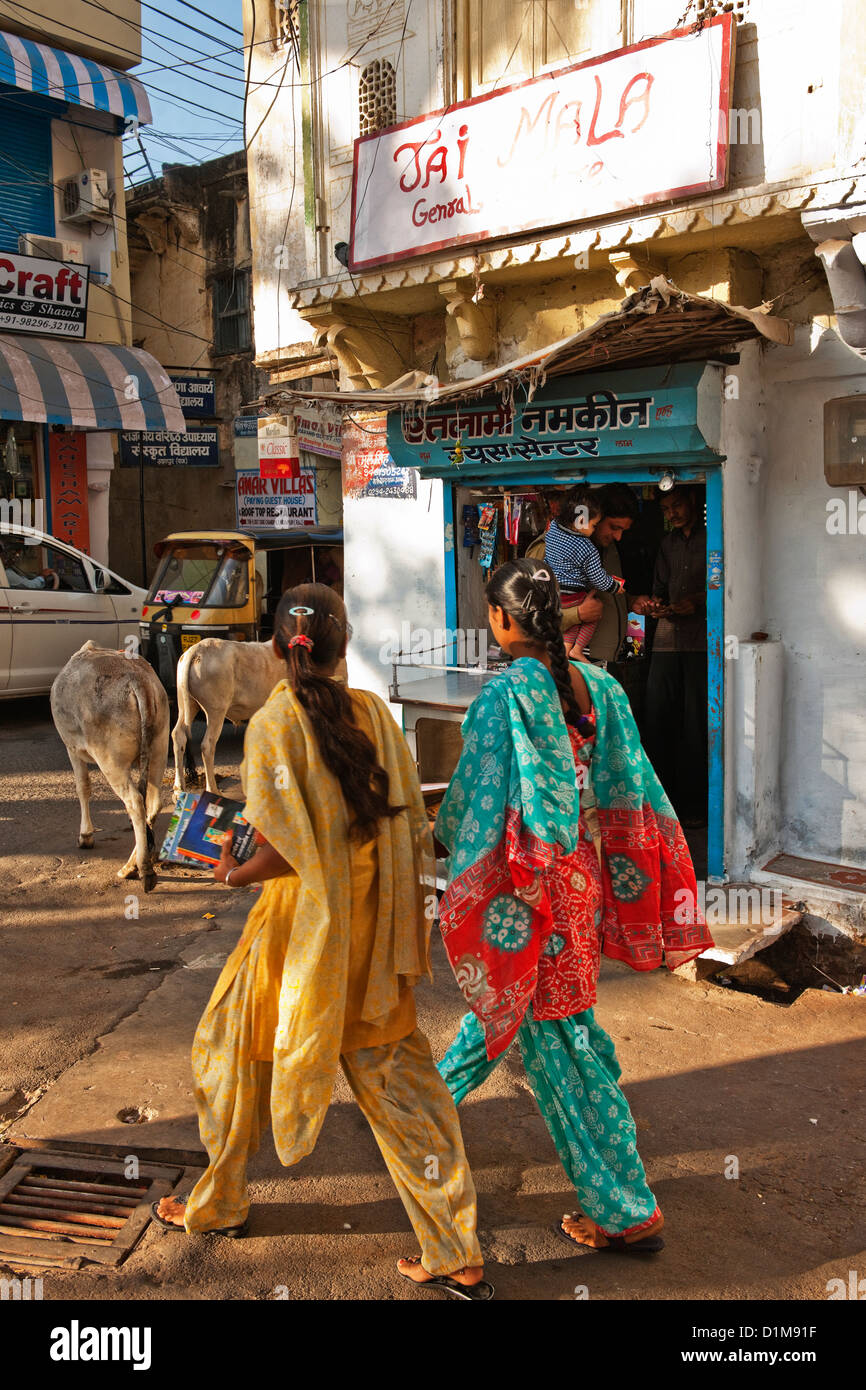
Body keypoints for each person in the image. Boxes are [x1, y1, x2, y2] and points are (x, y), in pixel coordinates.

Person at [154, 583, 490, 1300]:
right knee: (402, 1087)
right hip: (371, 928)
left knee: (226, 1048)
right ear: (341, 649)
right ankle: (456, 1249)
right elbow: (374, 819)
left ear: (275, 648)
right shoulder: (370, 711)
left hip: (299, 932)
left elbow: (290, 845)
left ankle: (221, 1201)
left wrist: (235, 871)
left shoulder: (275, 722)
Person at [434, 559, 713, 1254]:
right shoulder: (606, 689)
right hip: (581, 886)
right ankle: (419, 1111)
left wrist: (443, 842)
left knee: (559, 1044)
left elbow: (472, 804)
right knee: (525, 1017)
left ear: (501, 621)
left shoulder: (505, 700)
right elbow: (635, 786)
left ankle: (623, 1208)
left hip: (531, 897)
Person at [643, 486, 708, 828]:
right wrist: (656, 606)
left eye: (677, 505)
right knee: (658, 719)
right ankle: (662, 803)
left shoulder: (713, 536)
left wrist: (697, 601)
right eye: (667, 509)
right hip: (667, 640)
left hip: (701, 642)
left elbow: (724, 585)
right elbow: (658, 589)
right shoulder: (667, 545)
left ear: (693, 501)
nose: (673, 513)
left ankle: (697, 806)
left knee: (696, 723)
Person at [543, 485, 625, 653]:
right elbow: (598, 579)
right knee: (588, 616)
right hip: (572, 595)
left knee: (573, 620)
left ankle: (567, 651)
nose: (593, 529)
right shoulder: (587, 547)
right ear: (581, 520)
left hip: (554, 591)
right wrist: (615, 586)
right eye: (594, 525)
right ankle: (575, 650)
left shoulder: (553, 529)